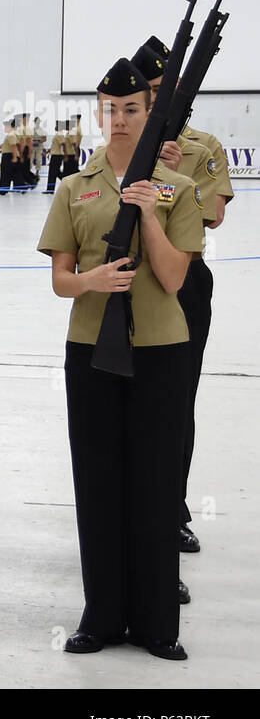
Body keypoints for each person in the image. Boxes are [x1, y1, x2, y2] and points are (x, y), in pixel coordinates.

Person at [37, 57, 201, 661]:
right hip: (91, 352)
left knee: (154, 483)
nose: (123, 119)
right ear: (100, 115)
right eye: (112, 109)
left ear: (149, 114)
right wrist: (92, 280)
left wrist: (150, 214)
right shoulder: (74, 188)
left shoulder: (177, 187)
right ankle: (100, 616)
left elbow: (174, 275)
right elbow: (59, 278)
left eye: (134, 109)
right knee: (98, 480)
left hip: (161, 349)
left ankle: (157, 623)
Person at [132, 39, 234, 562]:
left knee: (175, 402)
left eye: (162, 90)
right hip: (126, 280)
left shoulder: (203, 147)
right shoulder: (121, 147)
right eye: (147, 92)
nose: (156, 100)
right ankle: (123, 512)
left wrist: (175, 179)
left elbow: (213, 214)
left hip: (184, 281)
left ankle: (171, 511)